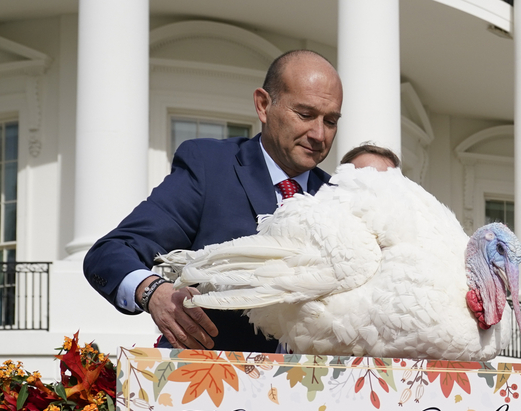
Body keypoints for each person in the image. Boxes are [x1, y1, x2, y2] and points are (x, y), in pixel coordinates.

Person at [83, 50, 343, 352]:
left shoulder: (341, 198)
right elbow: (110, 252)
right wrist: (153, 292)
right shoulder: (210, 168)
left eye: (331, 121)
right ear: (263, 105)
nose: (319, 134)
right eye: (306, 115)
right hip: (209, 387)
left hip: (313, 393)